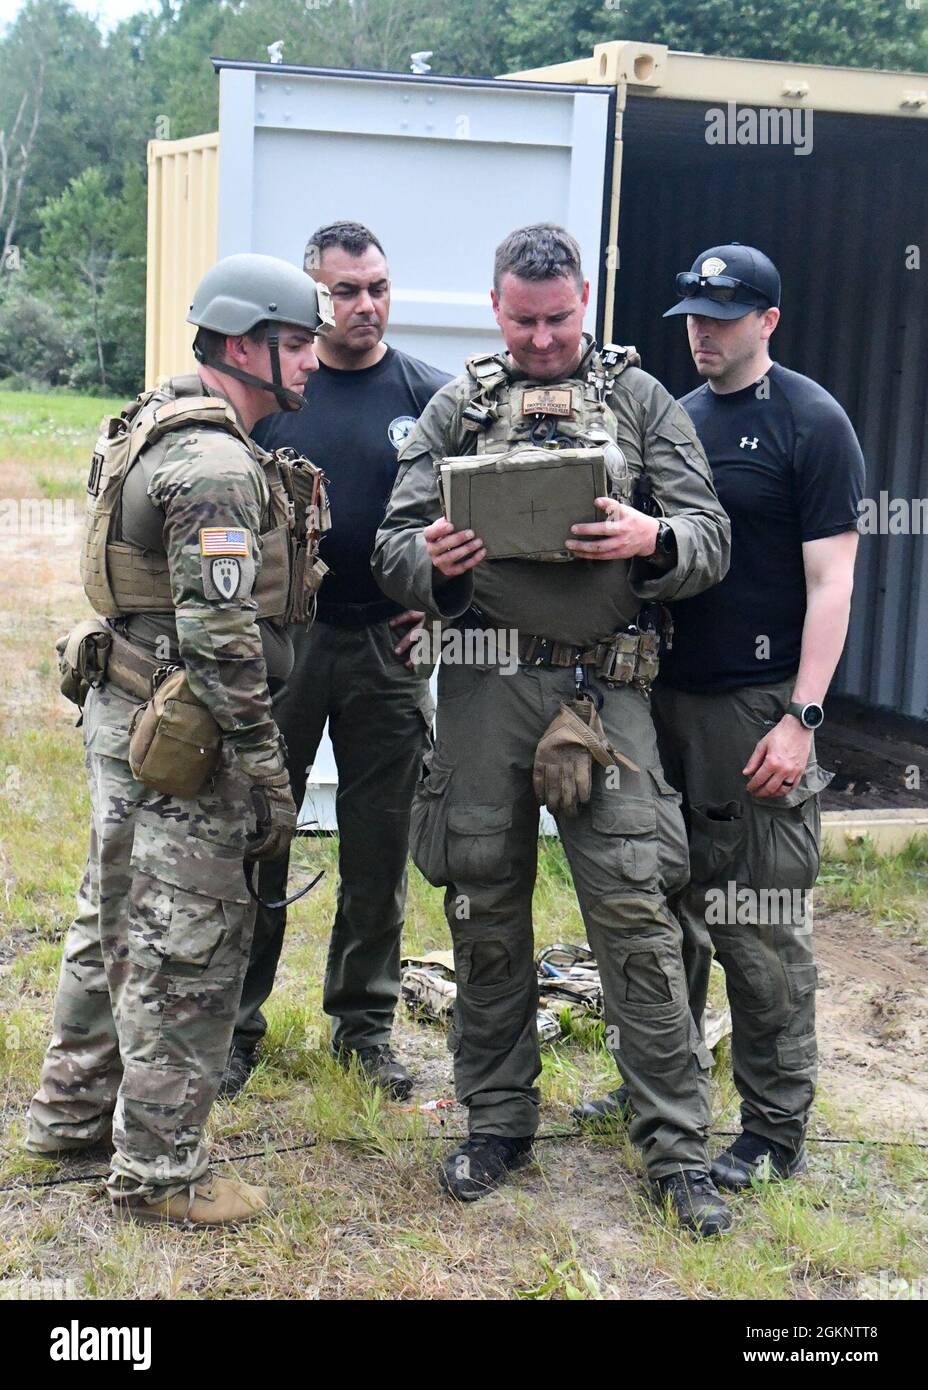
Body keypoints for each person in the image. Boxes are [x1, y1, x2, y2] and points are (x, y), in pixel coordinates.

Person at [372, 224, 735, 1235]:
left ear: (585, 303)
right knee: (484, 905)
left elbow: (710, 536)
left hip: (604, 688)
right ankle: (497, 1122)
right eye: (523, 321)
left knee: (633, 910)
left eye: (559, 320)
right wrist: (435, 561)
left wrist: (650, 538)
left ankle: (675, 1148)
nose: (540, 339)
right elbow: (389, 548)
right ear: (496, 308)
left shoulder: (642, 400)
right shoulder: (456, 407)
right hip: (485, 686)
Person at [25, 253, 333, 1227]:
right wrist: (266, 770)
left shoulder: (157, 417)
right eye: (299, 342)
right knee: (186, 944)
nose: (314, 361)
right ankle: (162, 1171)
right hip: (183, 735)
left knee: (111, 911)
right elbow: (222, 641)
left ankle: (70, 1112)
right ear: (245, 344)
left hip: (128, 708)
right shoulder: (215, 467)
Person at [578, 243, 864, 1191]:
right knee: (663, 906)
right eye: (694, 317)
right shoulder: (680, 419)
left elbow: (832, 583)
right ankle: (665, 1083)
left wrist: (802, 717)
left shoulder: (810, 422)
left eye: (723, 317)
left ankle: (775, 1127)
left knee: (757, 919)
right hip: (657, 697)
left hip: (754, 705)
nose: (702, 332)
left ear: (767, 321)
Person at [222, 222, 450, 1101]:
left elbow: (475, 523)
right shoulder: (278, 393)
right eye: (346, 291)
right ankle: (236, 1027)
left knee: (378, 846)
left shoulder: (430, 397)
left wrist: (443, 607)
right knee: (258, 830)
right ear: (314, 296)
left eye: (379, 288)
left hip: (389, 647)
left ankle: (365, 1029)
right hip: (289, 642)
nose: (366, 305)